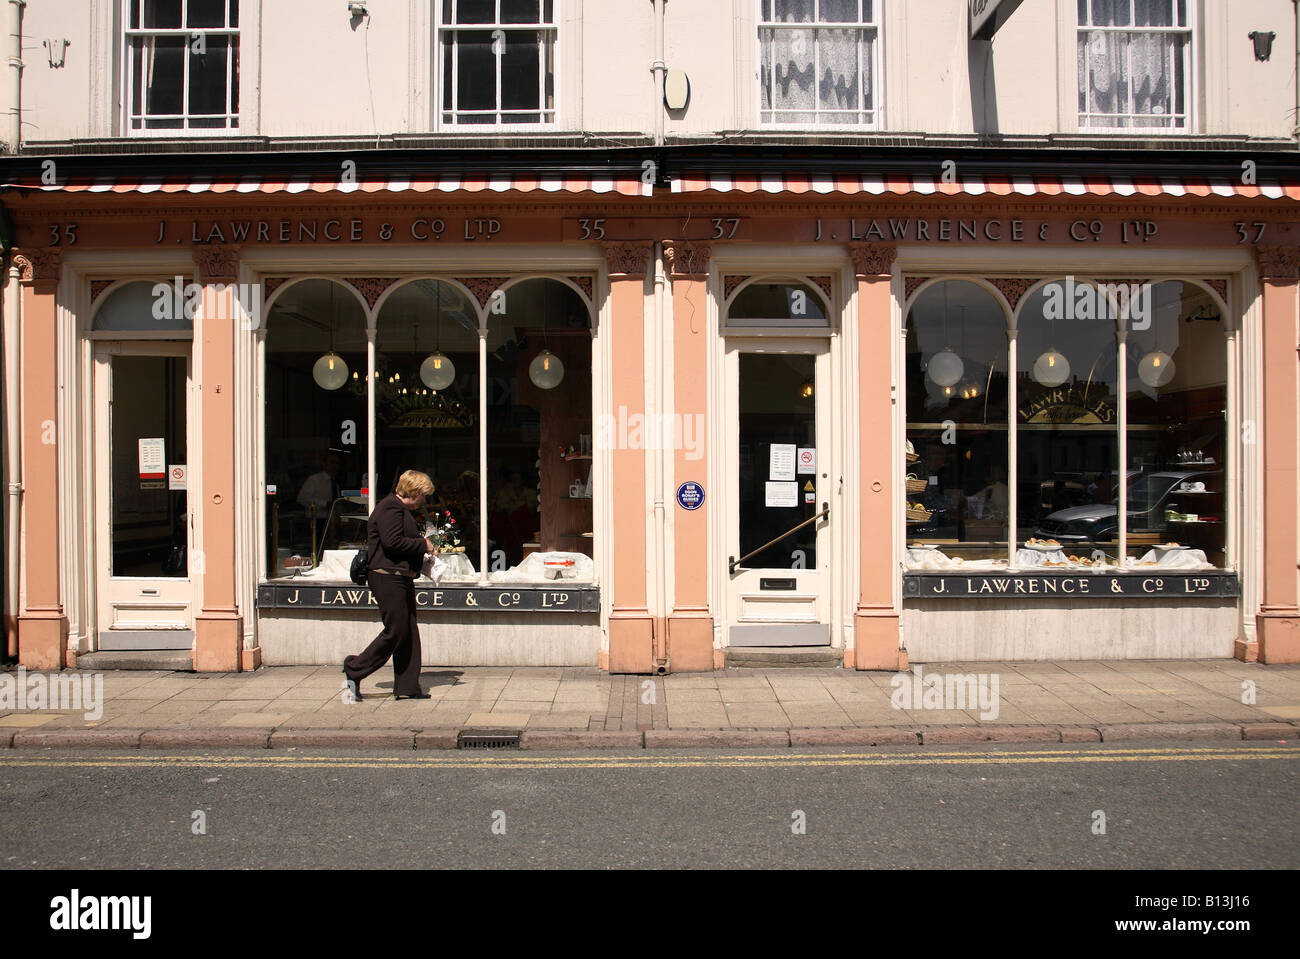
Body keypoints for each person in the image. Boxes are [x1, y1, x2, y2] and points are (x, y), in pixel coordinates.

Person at [341, 470, 435, 702]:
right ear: (413, 492)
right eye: (423, 495)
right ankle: (355, 668)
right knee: (396, 631)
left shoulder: (396, 508)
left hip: (399, 576)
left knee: (408, 631)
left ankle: (408, 687)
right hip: (387, 577)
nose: (424, 500)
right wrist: (423, 544)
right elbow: (392, 542)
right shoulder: (390, 508)